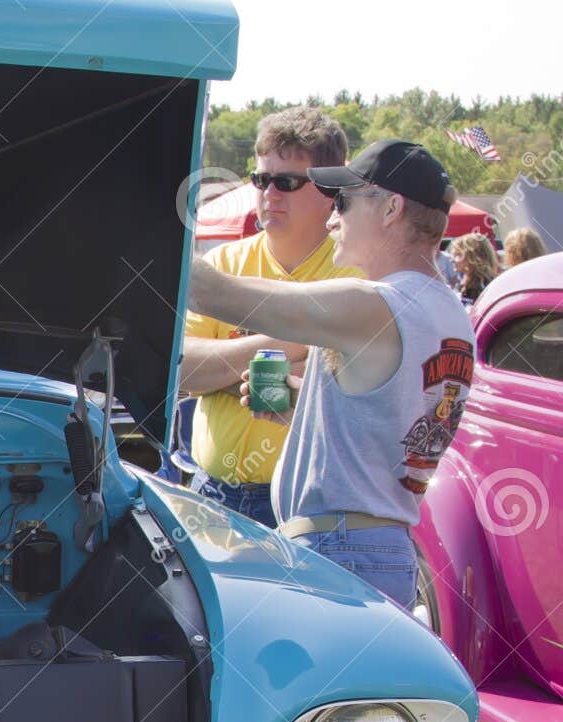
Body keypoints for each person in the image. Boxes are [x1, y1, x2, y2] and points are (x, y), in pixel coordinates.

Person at [187, 139, 473, 609]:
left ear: (391, 210)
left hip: (338, 552)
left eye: (343, 201)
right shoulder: (449, 313)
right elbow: (390, 416)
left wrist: (152, 228)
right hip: (382, 547)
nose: (331, 216)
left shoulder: (375, 304)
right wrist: (304, 407)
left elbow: (220, 296)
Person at [178, 108, 357, 528]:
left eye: (287, 182)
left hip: (307, 506)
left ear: (331, 188)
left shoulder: (355, 272)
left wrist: (222, 374)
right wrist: (293, 348)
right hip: (210, 492)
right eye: (260, 179)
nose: (269, 194)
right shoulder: (222, 262)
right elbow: (181, 369)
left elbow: (356, 387)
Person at [448, 233, 498, 304]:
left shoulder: (483, 286)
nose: (452, 260)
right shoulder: (464, 284)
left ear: (472, 257)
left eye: (458, 254)